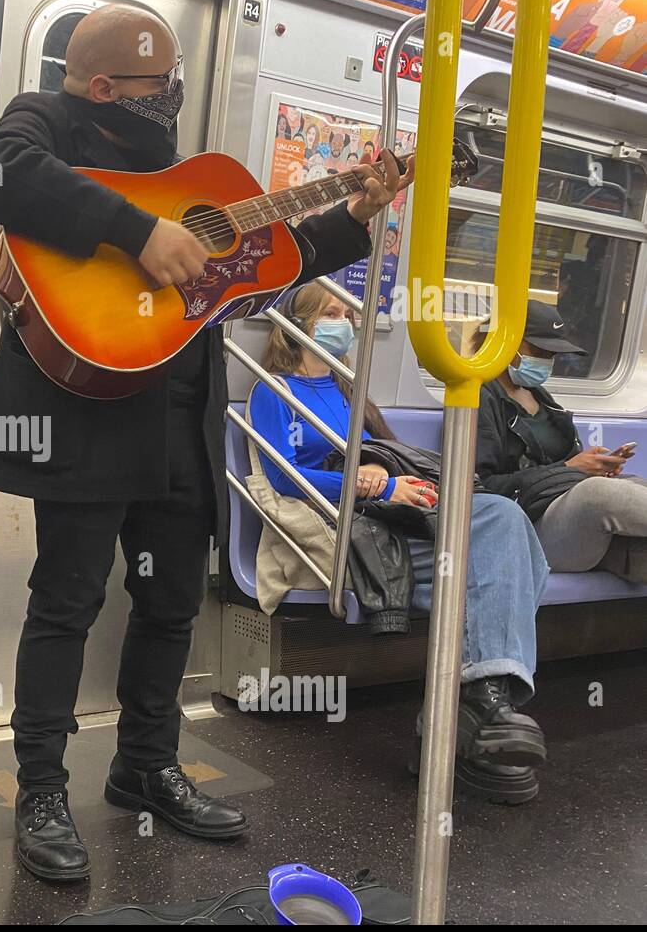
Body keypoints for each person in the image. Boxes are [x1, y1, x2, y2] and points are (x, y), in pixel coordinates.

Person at [0, 3, 412, 882]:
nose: (171, 98)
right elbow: (2, 176)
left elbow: (269, 255)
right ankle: (43, 789)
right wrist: (138, 231)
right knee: (66, 602)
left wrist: (357, 220)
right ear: (102, 87)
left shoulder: (187, 172)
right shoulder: (41, 119)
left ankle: (145, 763)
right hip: (86, 411)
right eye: (156, 85)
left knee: (173, 602)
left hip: (181, 412)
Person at [249, 283, 550, 804]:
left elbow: (378, 456)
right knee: (499, 534)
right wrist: (384, 486)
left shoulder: (349, 388)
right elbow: (283, 477)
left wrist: (397, 482)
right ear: (297, 326)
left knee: (510, 540)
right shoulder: (274, 389)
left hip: (389, 512)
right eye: (328, 314)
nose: (341, 322)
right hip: (351, 520)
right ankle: (478, 707)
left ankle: (468, 710)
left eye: (347, 313)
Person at [474, 301, 647, 582]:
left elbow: (569, 467)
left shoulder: (541, 397)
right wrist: (571, 469)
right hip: (528, 526)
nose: (546, 361)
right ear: (505, 342)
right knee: (599, 494)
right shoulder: (478, 396)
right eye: (539, 351)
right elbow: (482, 488)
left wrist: (596, 466)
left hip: (577, 526)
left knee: (633, 486)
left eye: (551, 354)